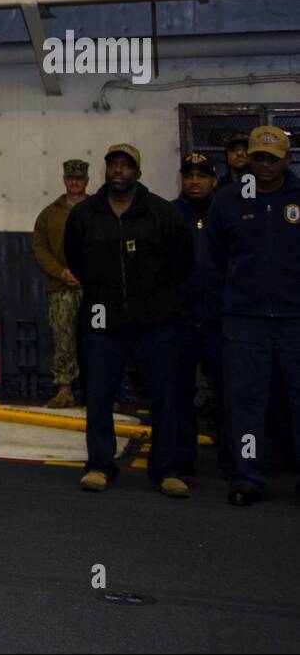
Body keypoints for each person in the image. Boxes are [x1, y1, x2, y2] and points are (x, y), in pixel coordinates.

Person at [63, 144, 193, 497]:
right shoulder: (86, 214)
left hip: (154, 322)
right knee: (100, 396)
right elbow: (75, 260)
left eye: (126, 165)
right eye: (113, 165)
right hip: (103, 321)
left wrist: (157, 300)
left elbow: (181, 262)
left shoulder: (162, 214)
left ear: (138, 171)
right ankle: (100, 465)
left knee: (164, 397)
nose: (118, 170)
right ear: (106, 171)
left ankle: (166, 470)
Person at [207, 125, 300, 506]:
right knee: (245, 404)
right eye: (258, 157)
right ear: (248, 158)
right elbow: (214, 258)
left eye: (271, 158)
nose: (264, 165)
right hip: (244, 322)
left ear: (286, 160)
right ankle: (247, 477)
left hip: (296, 321)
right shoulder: (228, 200)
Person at [172, 152, 228, 478]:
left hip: (222, 320)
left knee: (229, 393)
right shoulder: (168, 214)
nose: (195, 181)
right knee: (179, 394)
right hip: (181, 319)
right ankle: (182, 459)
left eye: (201, 176)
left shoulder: (227, 212)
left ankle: (234, 458)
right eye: (189, 175)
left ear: (213, 181)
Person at [32, 159, 89, 408]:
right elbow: (40, 248)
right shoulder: (49, 214)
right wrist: (60, 272)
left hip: (94, 290)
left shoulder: (98, 210)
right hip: (61, 288)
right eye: (70, 177)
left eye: (79, 178)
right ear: (64, 179)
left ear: (87, 181)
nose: (75, 182)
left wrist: (88, 273)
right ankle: (65, 389)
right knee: (63, 337)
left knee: (97, 338)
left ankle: (100, 389)